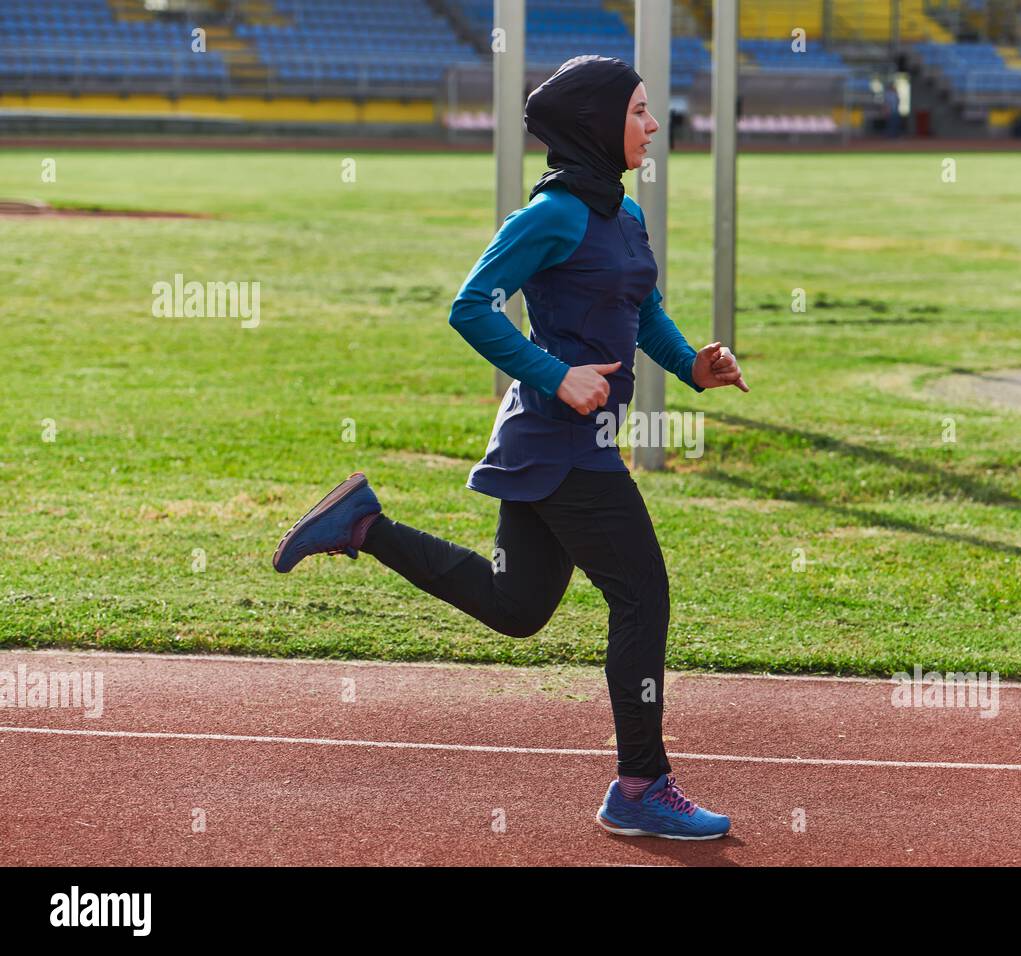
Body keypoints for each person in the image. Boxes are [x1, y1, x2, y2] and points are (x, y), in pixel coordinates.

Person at [272, 55, 748, 841]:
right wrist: (556, 374)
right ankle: (640, 783)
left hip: (570, 445)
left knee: (517, 607)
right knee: (642, 594)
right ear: (598, 125)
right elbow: (472, 307)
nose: (653, 126)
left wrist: (693, 365)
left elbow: (643, 309)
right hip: (560, 446)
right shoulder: (553, 215)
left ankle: (362, 525)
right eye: (637, 112)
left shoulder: (622, 215)